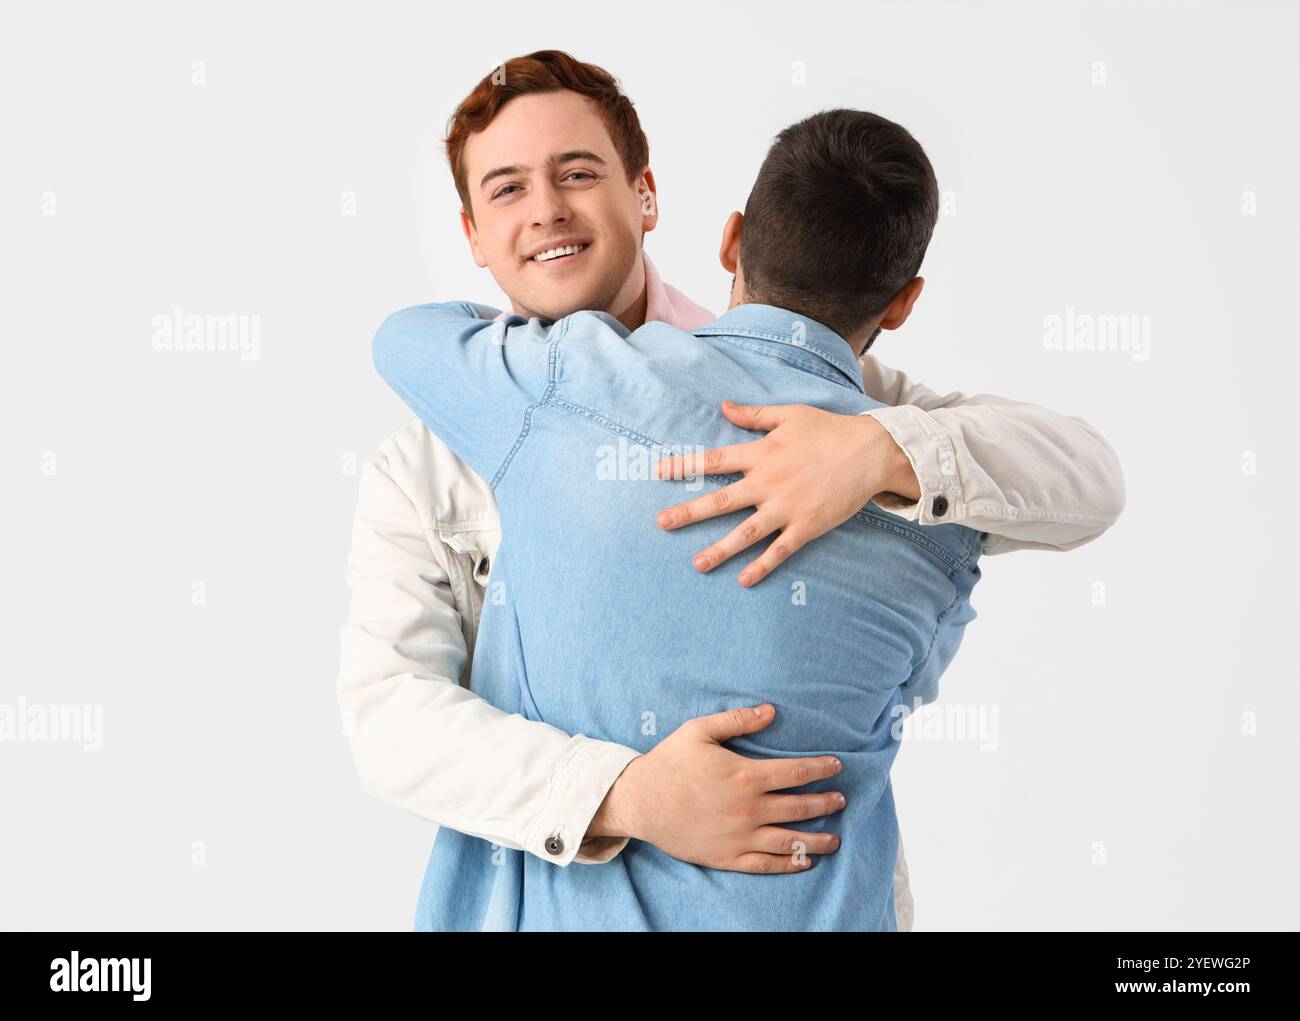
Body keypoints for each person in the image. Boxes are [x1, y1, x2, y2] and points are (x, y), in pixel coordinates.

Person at [337, 50, 1126, 931]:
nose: (548, 209)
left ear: (648, 196)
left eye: (577, 172)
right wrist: (626, 794)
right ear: (473, 236)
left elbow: (1085, 475)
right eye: (507, 190)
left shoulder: (821, 390)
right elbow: (392, 720)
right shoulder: (424, 459)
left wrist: (870, 453)